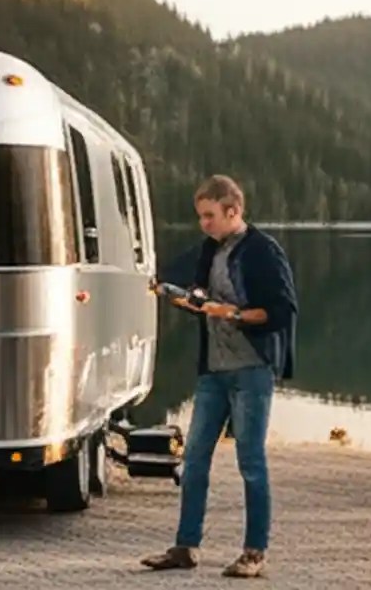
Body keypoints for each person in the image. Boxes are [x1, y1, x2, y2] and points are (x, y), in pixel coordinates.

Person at [141, 174, 298, 579]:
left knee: (251, 463)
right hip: (213, 372)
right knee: (194, 459)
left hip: (252, 371)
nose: (204, 224)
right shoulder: (210, 250)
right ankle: (185, 547)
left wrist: (231, 313)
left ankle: (254, 553)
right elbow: (198, 292)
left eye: (210, 216)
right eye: (200, 216)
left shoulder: (263, 251)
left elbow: (282, 311)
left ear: (234, 211)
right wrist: (185, 299)